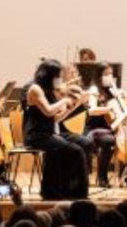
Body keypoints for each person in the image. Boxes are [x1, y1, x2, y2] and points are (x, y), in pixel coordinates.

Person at [23, 59, 89, 200]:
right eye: (58, 76)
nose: (60, 79)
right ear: (48, 75)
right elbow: (47, 111)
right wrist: (64, 101)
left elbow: (55, 118)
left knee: (74, 149)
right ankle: (74, 192)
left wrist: (75, 105)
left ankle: (63, 191)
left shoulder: (49, 90)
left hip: (48, 133)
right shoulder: (35, 89)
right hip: (36, 135)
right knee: (75, 151)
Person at [84, 62, 127, 188]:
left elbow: (123, 109)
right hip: (95, 128)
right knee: (109, 140)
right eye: (106, 74)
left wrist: (124, 97)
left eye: (111, 74)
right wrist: (108, 109)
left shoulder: (113, 90)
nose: (109, 77)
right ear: (99, 75)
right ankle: (102, 176)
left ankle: (124, 174)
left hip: (112, 126)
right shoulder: (94, 89)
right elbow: (92, 110)